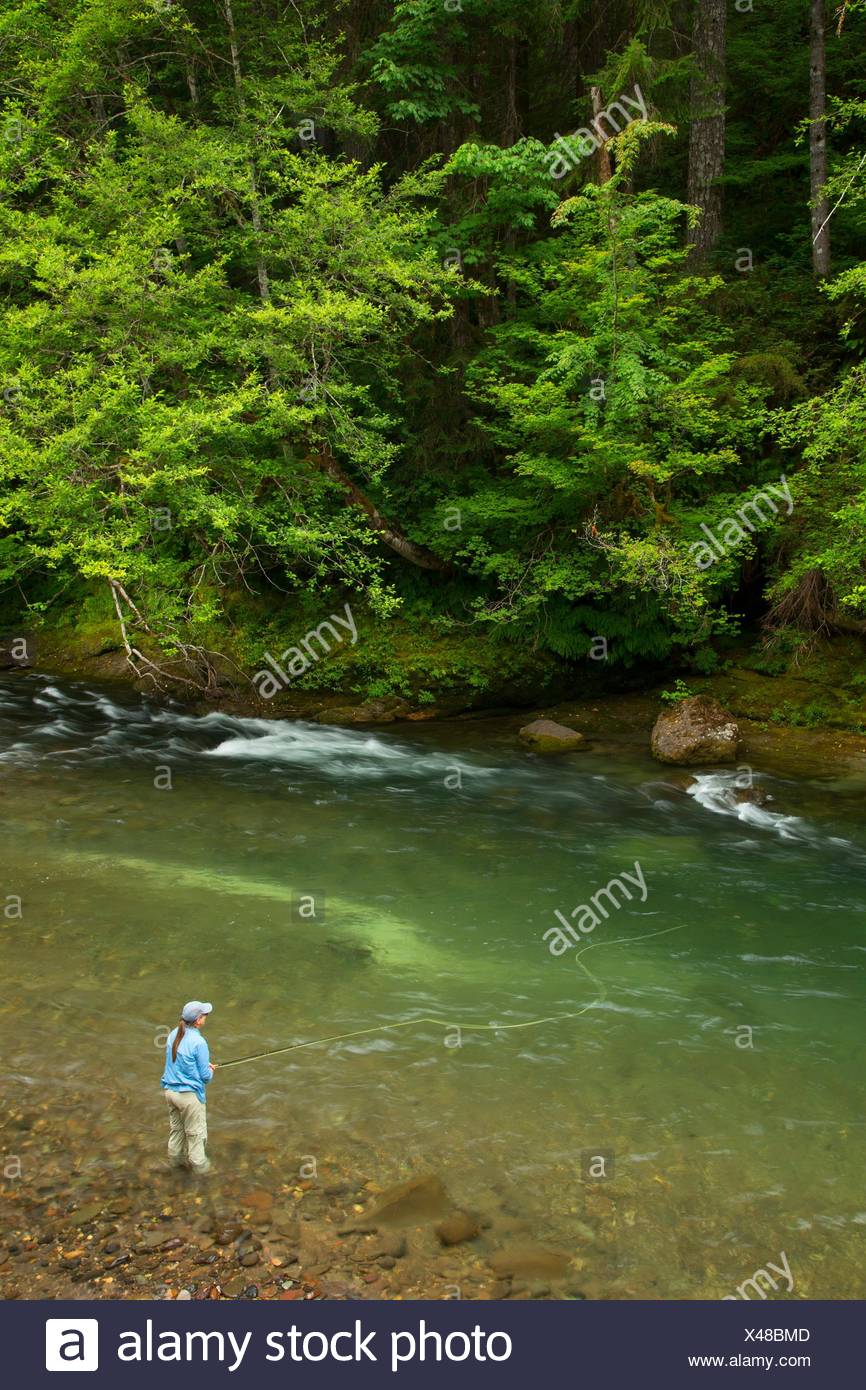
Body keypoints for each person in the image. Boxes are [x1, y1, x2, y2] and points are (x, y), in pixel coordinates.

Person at [161, 1000, 216, 1175]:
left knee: (177, 1131)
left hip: (170, 1092)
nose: (206, 1017)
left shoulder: (173, 1034)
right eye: (205, 1015)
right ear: (199, 1020)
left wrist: (202, 1065)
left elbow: (180, 1062)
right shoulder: (199, 1042)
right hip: (189, 1098)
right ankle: (203, 1172)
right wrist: (210, 1069)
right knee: (195, 1136)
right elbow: (205, 1077)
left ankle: (175, 1167)